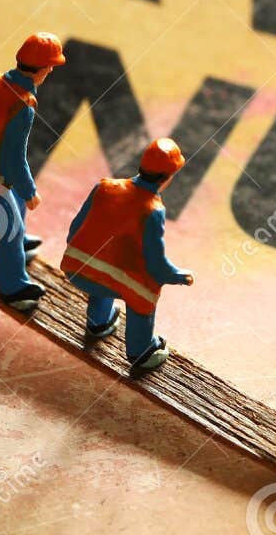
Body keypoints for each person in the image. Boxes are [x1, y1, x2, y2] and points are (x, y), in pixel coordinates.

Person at [61, 138, 194, 372]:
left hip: (77, 267)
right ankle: (140, 351)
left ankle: (98, 322)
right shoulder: (152, 210)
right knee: (146, 290)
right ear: (168, 177)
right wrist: (175, 275)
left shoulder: (104, 186)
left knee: (102, 275)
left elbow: (76, 227)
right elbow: (155, 261)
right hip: (108, 277)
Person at [0, 32, 66, 311]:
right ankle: (13, 287)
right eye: (51, 67)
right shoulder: (23, 104)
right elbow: (13, 158)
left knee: (14, 209)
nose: (51, 72)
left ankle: (17, 247)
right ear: (43, 70)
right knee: (11, 227)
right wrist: (30, 191)